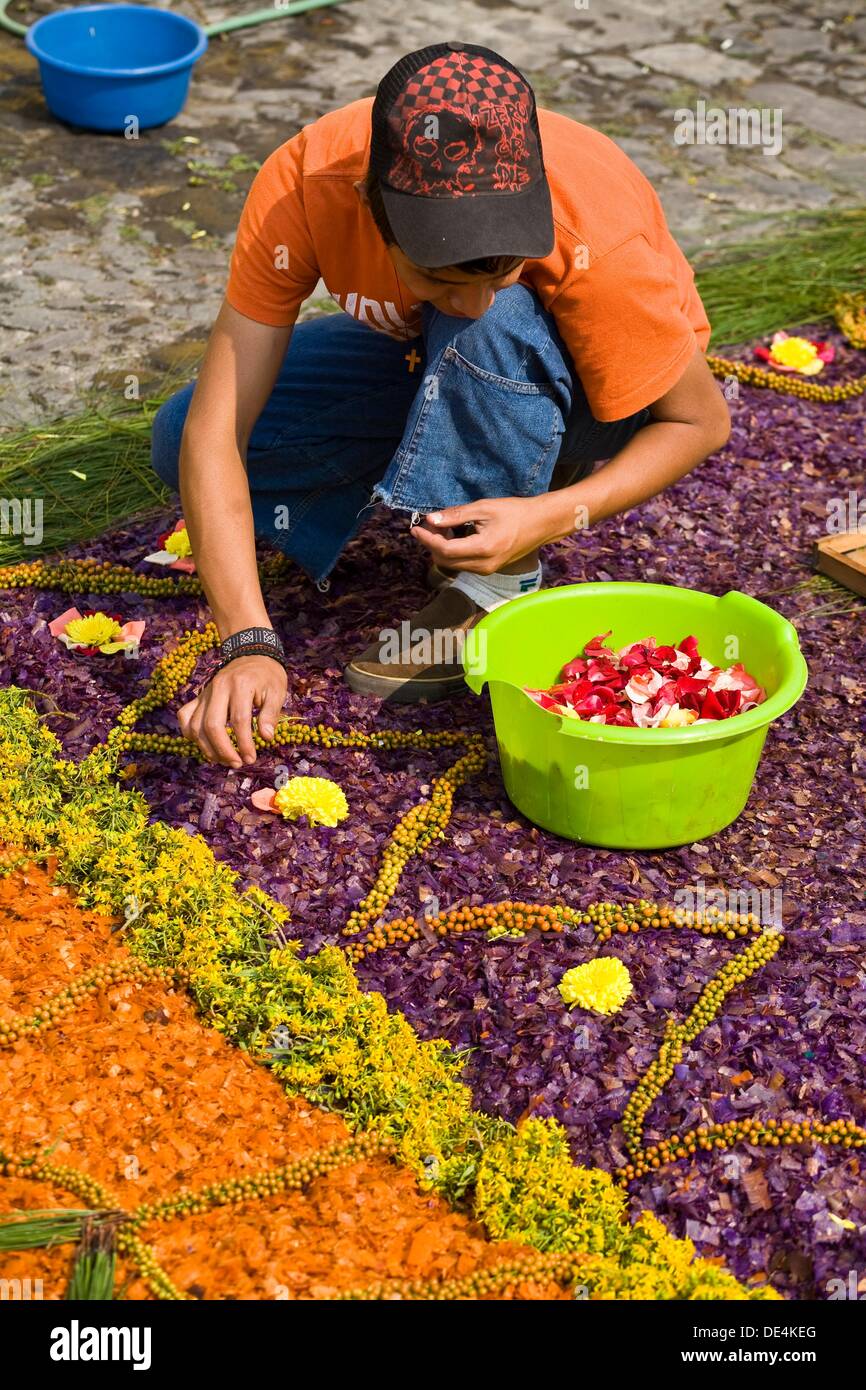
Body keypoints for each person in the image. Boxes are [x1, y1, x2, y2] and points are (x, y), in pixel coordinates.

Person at [151, 42, 730, 768]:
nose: (475, 292)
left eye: (504, 268)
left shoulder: (594, 228)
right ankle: (459, 471)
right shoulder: (308, 182)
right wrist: (248, 641)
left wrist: (546, 517)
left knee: (489, 324)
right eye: (438, 273)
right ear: (372, 209)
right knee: (178, 431)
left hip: (598, 392)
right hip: (434, 357)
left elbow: (700, 421)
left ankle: (494, 582)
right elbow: (217, 430)